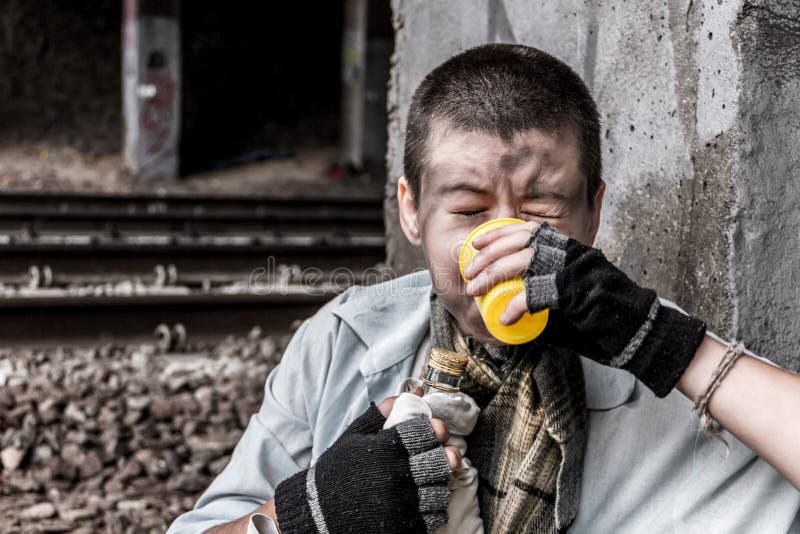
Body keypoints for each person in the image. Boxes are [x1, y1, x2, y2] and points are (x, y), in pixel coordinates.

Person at [168, 44, 800, 534]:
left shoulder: (656, 350)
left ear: (594, 212)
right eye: (469, 212)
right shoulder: (345, 342)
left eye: (543, 213)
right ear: (411, 211)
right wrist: (302, 518)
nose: (505, 250)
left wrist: (669, 346)